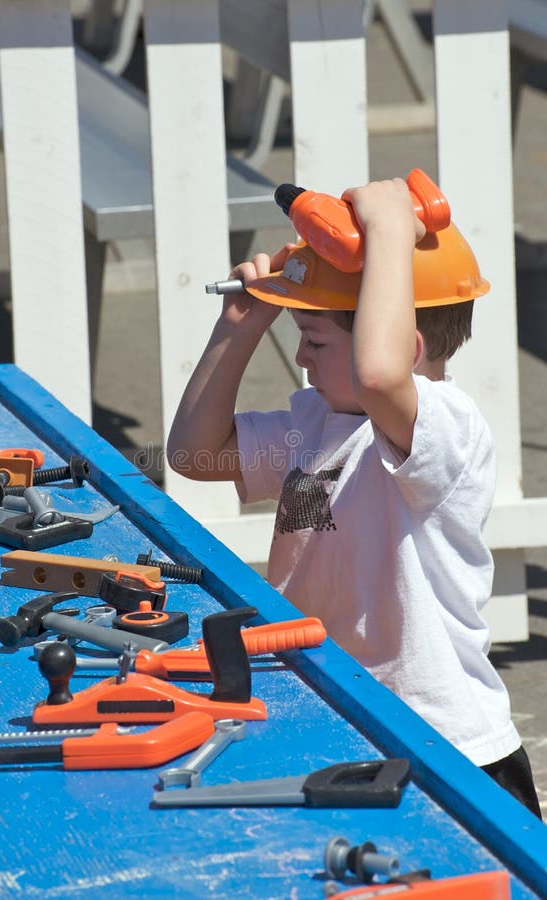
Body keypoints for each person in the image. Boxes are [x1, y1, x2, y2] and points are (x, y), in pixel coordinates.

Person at [166, 177, 542, 817]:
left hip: (446, 745)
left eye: (315, 342)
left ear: (409, 347)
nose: (302, 360)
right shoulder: (311, 420)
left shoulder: (444, 426)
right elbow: (192, 454)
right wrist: (238, 327)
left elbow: (379, 374)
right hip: (334, 711)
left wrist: (393, 225)